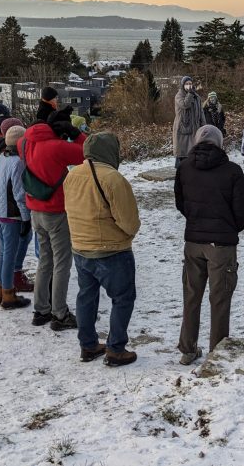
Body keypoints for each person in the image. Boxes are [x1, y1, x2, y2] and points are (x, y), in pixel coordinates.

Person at [63, 132, 141, 366]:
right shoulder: (113, 178)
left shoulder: (72, 175)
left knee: (86, 297)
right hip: (112, 250)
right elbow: (129, 221)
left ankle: (87, 345)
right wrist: (129, 234)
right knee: (123, 298)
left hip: (80, 248)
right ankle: (116, 349)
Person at [174, 125, 244, 365]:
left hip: (193, 241)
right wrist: (227, 228)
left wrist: (197, 221)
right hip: (222, 245)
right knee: (220, 298)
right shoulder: (232, 171)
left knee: (191, 295)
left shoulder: (184, 168)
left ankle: (187, 348)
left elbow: (181, 203)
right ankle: (217, 350)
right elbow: (242, 214)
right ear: (220, 143)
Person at [18, 107, 87, 330]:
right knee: (62, 263)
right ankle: (60, 313)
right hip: (56, 212)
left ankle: (41, 310)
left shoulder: (25, 142)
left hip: (35, 211)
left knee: (44, 260)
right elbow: (89, 151)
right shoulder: (57, 147)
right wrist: (75, 133)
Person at [0, 124, 32, 310]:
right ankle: (8, 294)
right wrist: (26, 218)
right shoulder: (18, 162)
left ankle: (1, 290)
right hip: (11, 214)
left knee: (4, 255)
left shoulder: (0, 159)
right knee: (10, 256)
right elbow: (19, 193)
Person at [173, 76, 205, 168]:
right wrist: (190, 94)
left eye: (190, 83)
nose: (189, 85)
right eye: (186, 84)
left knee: (193, 150)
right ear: (183, 85)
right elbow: (185, 105)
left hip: (195, 127)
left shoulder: (196, 96)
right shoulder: (179, 95)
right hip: (183, 127)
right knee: (183, 152)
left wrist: (203, 125)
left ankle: (192, 170)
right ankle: (181, 169)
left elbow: (201, 112)